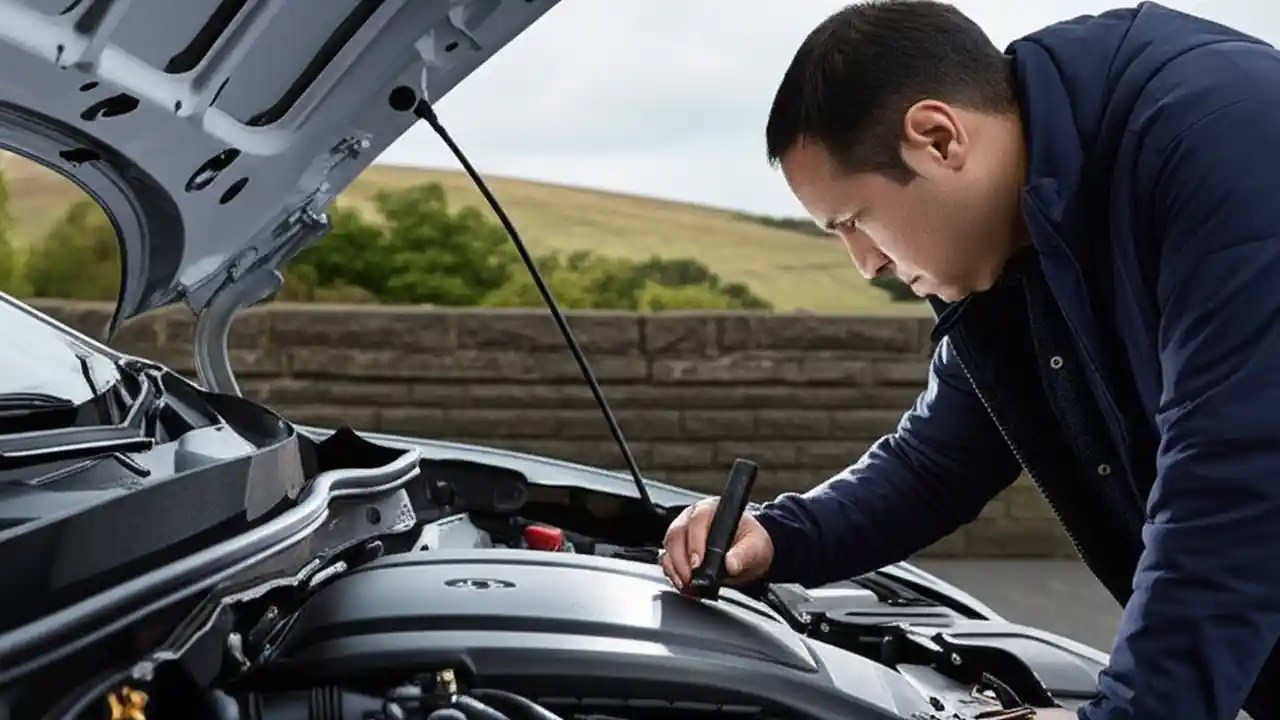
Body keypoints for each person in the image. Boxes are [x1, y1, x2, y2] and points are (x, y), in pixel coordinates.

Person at [659, 2, 1280, 718]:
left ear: (937, 137)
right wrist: (776, 536)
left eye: (855, 221)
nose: (865, 265)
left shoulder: (1222, 137)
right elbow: (940, 458)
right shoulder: (1024, 217)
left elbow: (1237, 485)